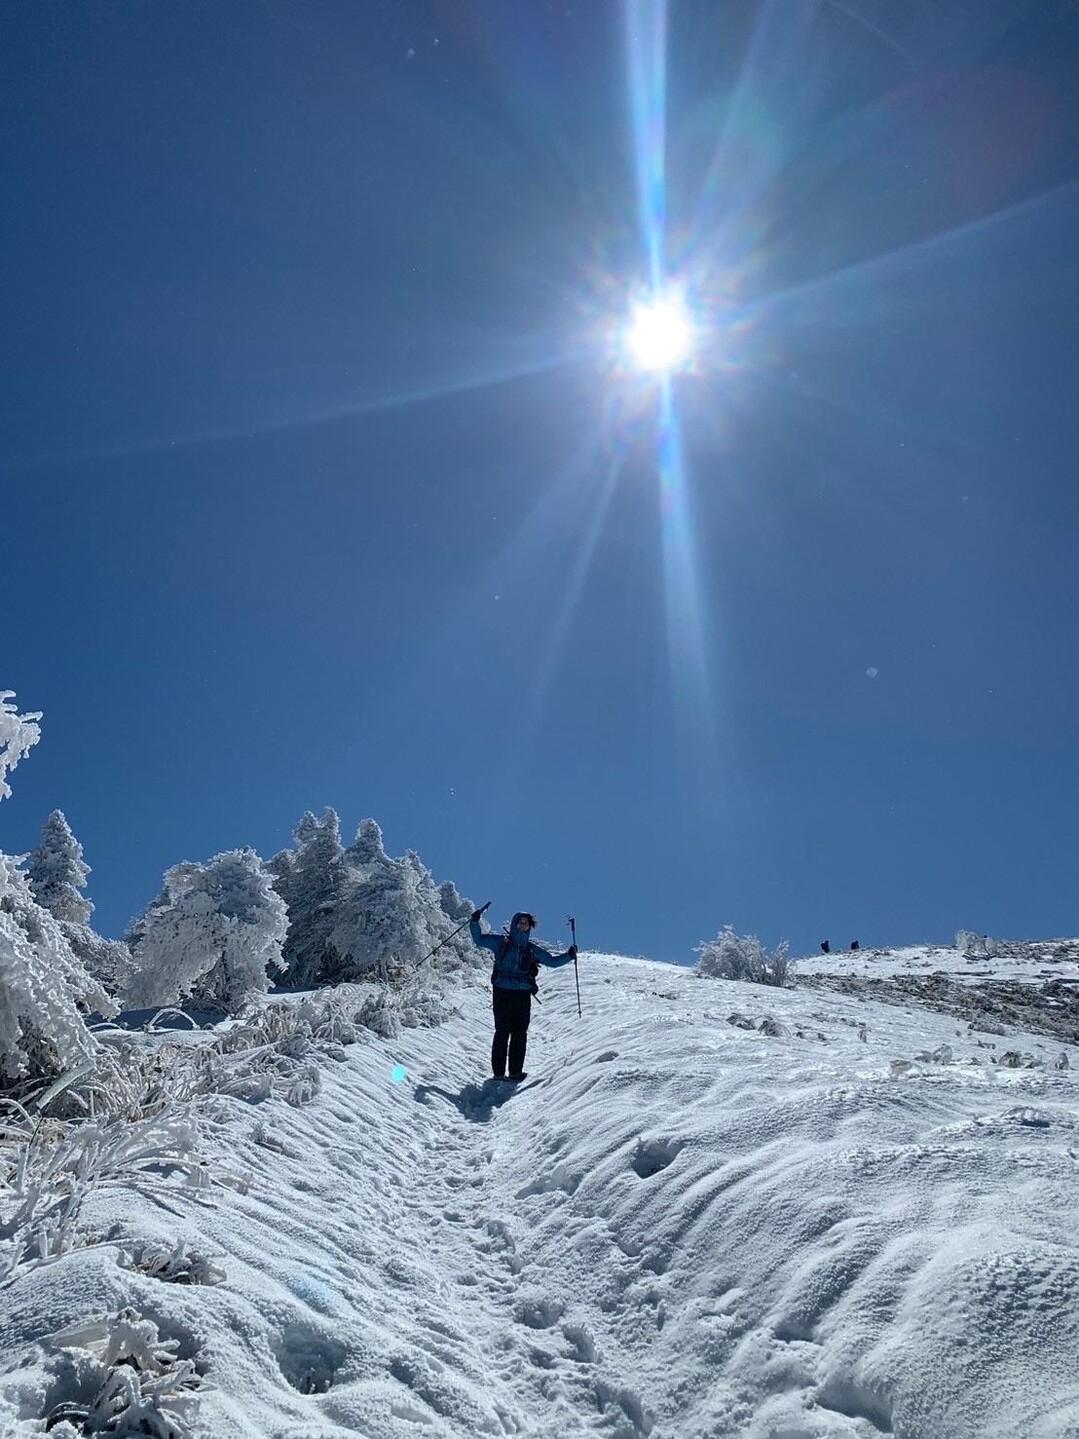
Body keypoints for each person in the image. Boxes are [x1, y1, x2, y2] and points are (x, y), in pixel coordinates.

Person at [469, 909, 576, 1081]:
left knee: (520, 1032)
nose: (522, 926)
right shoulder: (501, 943)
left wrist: (569, 956)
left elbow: (552, 961)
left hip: (521, 994)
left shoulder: (531, 949)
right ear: (514, 924)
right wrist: (474, 922)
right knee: (502, 1031)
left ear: (529, 927)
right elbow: (479, 939)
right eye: (520, 922)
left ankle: (515, 1072)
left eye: (525, 924)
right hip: (503, 991)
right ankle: (498, 1073)